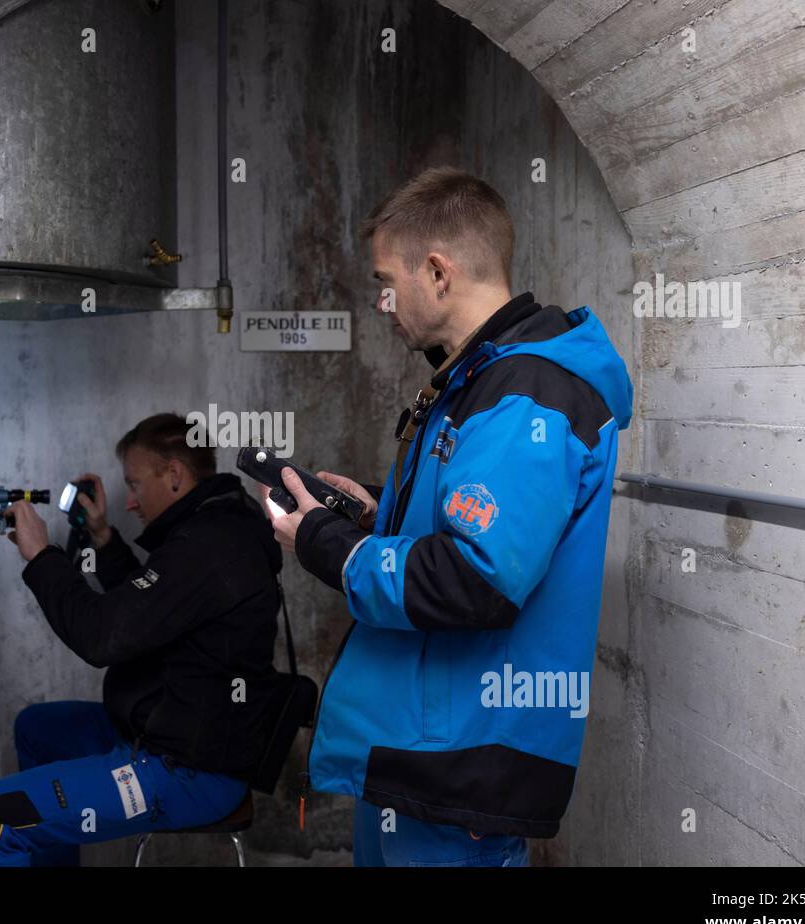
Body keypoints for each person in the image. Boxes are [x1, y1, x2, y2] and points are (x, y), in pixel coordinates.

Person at [267, 167, 633, 867]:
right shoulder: (478, 379)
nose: (382, 301)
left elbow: (476, 577)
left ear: (437, 272)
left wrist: (326, 543)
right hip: (428, 749)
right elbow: (466, 524)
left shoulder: (529, 392)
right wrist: (379, 514)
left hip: (464, 756)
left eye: (386, 279)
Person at [0, 413, 283, 866]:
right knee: (37, 729)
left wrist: (41, 557)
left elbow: (103, 637)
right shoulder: (215, 527)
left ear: (174, 475)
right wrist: (104, 537)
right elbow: (152, 611)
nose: (130, 502)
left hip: (190, 770)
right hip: (165, 730)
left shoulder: (209, 546)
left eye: (134, 484)